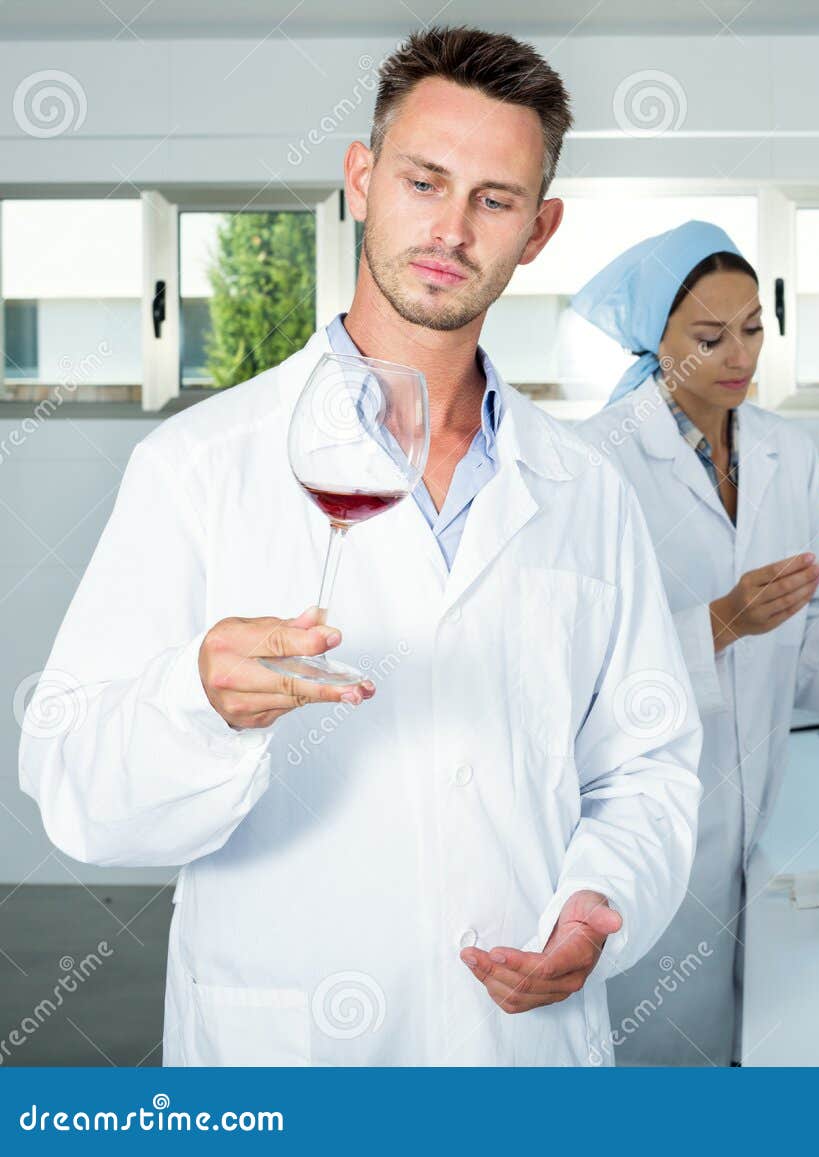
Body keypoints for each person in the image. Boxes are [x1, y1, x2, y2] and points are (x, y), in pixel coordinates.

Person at [17, 27, 702, 1067]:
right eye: (425, 180)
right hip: (287, 1052)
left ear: (540, 227)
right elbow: (75, 789)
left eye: (494, 198)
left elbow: (645, 763)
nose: (452, 229)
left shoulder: (585, 491)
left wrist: (598, 906)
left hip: (520, 1049)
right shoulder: (197, 463)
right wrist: (197, 706)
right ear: (362, 178)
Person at [575, 222, 819, 1065]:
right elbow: (575, 674)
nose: (738, 354)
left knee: (771, 1042)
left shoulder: (786, 449)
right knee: (658, 1061)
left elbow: (808, 632)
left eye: (753, 327)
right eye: (709, 337)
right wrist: (720, 622)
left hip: (763, 820)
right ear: (657, 340)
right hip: (652, 828)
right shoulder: (593, 463)